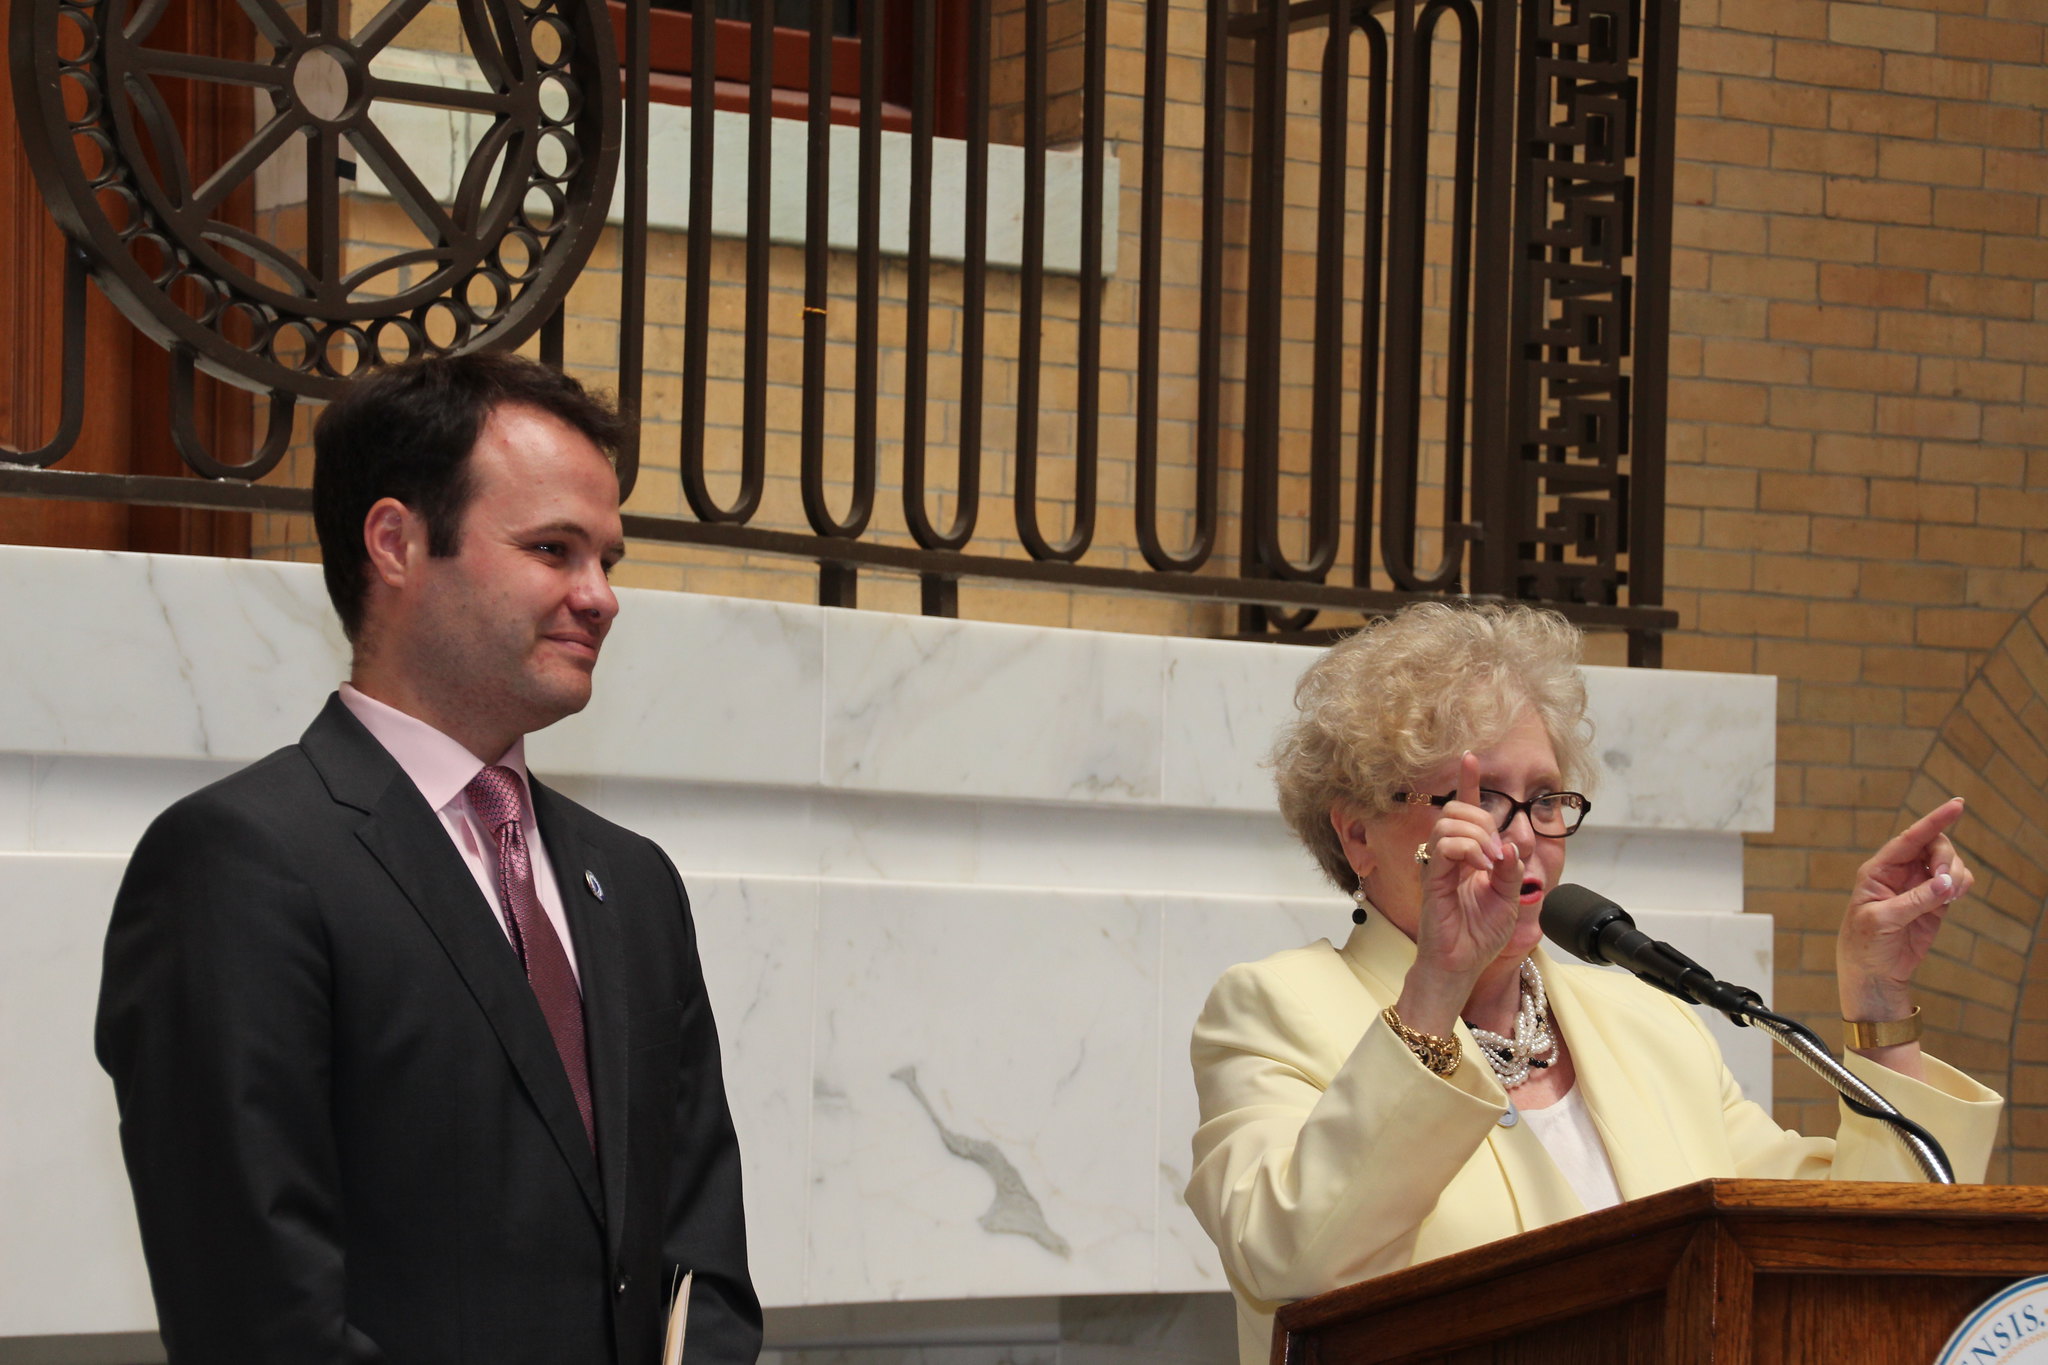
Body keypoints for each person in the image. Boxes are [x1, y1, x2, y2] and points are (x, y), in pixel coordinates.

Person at [96, 353, 761, 1365]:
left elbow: (699, 1258)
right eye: (553, 549)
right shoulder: (241, 864)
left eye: (608, 560)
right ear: (396, 542)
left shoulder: (631, 884)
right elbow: (258, 1318)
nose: (599, 598)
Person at [1185, 602, 2002, 1365]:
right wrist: (1438, 983)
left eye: (1544, 800)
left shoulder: (1651, 1027)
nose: (1521, 842)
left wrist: (1881, 998)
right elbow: (1292, 1259)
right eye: (1478, 802)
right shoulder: (1276, 1008)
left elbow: (1842, 1257)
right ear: (1358, 832)